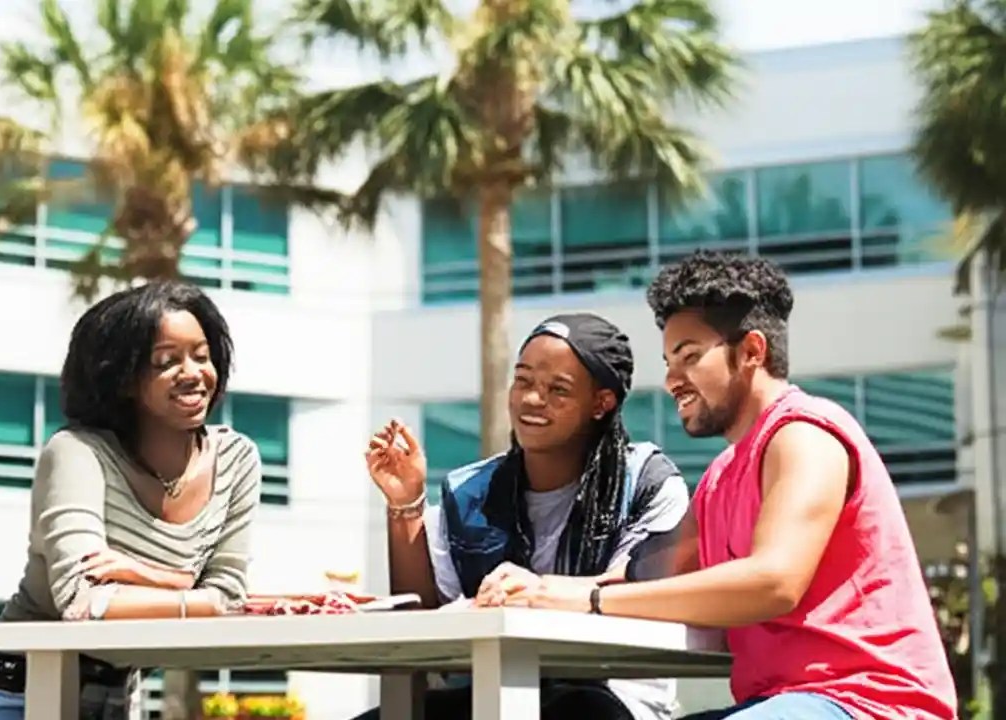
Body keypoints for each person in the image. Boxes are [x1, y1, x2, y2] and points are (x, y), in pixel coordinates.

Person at [498, 250, 957, 719]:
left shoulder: (806, 435)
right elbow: (654, 571)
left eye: (690, 356)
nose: (672, 379)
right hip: (782, 704)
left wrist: (590, 600)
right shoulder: (720, 478)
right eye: (669, 361)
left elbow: (774, 581)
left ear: (752, 352)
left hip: (869, 703)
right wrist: (538, 588)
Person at [0, 279, 262, 720]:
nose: (193, 373)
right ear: (122, 378)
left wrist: (151, 576)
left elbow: (229, 595)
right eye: (167, 361)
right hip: (13, 697)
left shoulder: (236, 460)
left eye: (202, 356)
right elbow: (85, 603)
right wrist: (188, 589)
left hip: (113, 703)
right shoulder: (77, 453)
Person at [356, 312, 692, 720]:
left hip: (608, 695)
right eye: (523, 380)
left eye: (558, 389)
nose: (532, 399)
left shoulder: (647, 482)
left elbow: (640, 588)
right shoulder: (470, 492)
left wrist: (536, 593)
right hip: (492, 690)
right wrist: (405, 505)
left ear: (601, 403)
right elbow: (421, 629)